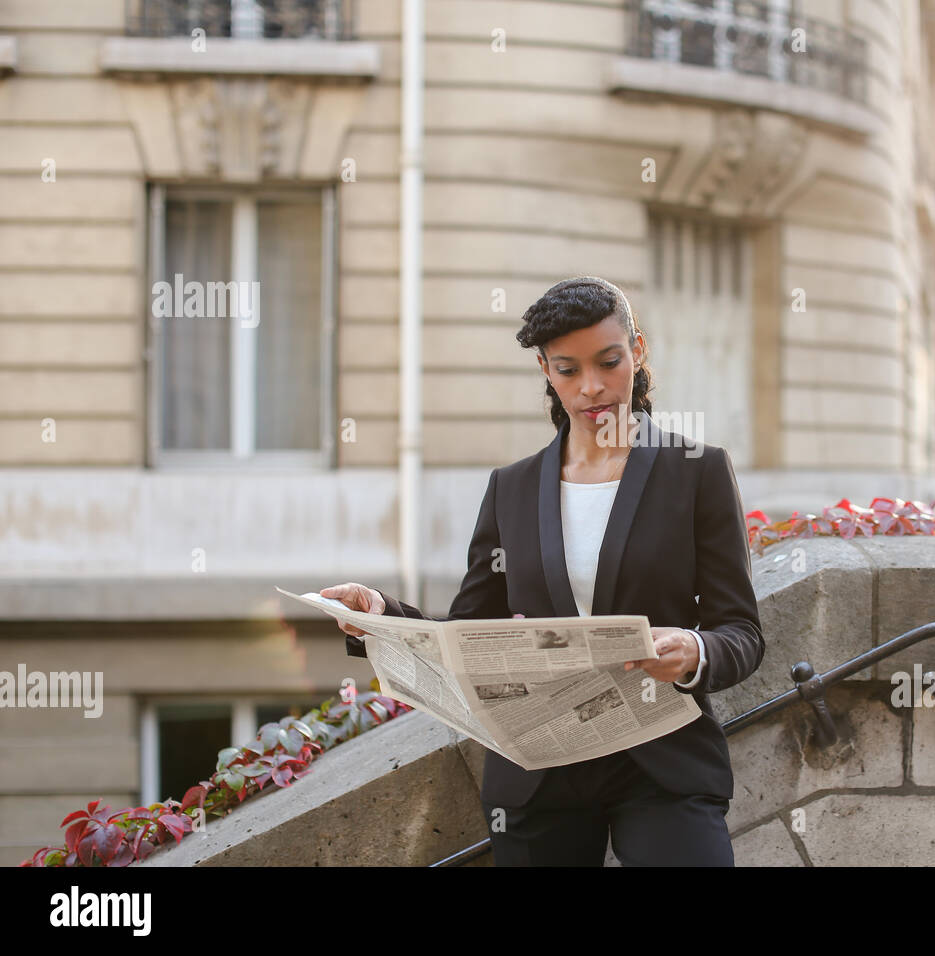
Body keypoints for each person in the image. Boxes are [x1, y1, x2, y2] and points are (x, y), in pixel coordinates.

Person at [320, 275, 764, 866]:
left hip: (663, 761)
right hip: (538, 771)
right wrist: (382, 615)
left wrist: (694, 650)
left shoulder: (698, 472)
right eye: (568, 369)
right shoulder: (512, 489)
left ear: (639, 349)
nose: (593, 387)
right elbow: (470, 632)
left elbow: (742, 631)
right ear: (545, 370)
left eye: (609, 361)